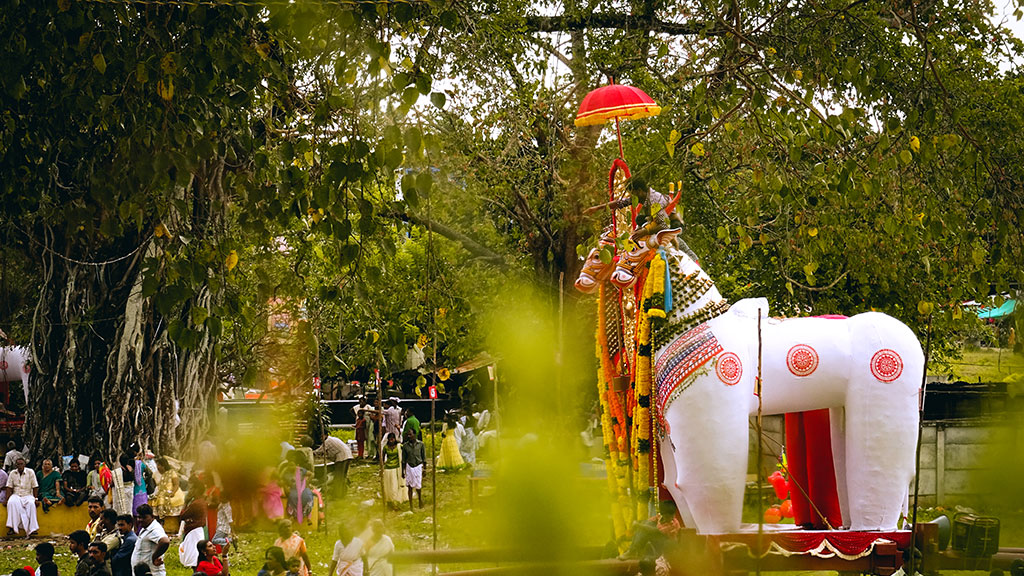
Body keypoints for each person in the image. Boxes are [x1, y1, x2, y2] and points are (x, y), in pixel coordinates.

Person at [131, 504, 169, 576]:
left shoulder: (154, 529)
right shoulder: (145, 527)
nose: (140, 520)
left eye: (144, 517)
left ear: (152, 517)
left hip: (152, 573)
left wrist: (154, 557)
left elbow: (165, 541)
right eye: (139, 517)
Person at [6, 456, 39, 538]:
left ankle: (33, 529)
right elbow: (9, 487)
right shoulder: (12, 473)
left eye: (21, 464)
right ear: (16, 465)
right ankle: (12, 527)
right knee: (11, 503)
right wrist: (7, 499)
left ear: (24, 464)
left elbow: (35, 486)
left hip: (28, 494)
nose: (20, 466)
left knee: (31, 504)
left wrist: (36, 499)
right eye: (18, 464)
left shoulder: (30, 472)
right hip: (16, 494)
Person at [282, 452, 313, 523]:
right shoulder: (286, 472)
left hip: (303, 488)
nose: (291, 467)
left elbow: (311, 474)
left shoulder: (301, 470)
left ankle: (307, 515)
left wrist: (307, 483)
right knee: (293, 497)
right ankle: (293, 516)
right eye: (289, 466)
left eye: (292, 465)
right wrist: (286, 488)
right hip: (293, 489)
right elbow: (282, 481)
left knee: (307, 497)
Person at [380, 434, 407, 508]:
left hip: (396, 468)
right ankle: (389, 500)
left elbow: (405, 453)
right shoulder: (385, 447)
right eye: (390, 439)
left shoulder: (399, 446)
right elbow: (382, 458)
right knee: (388, 485)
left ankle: (395, 501)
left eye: (393, 439)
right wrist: (381, 468)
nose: (391, 441)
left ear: (395, 439)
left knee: (395, 485)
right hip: (388, 468)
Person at [401, 430, 424, 511]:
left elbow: (423, 457)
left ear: (415, 434)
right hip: (409, 466)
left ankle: (420, 500)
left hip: (418, 466)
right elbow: (403, 460)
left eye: (410, 434)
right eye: (408, 435)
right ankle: (411, 505)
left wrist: (424, 469)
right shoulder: (405, 446)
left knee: (418, 485)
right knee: (409, 486)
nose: (409, 436)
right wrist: (402, 472)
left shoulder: (420, 444)